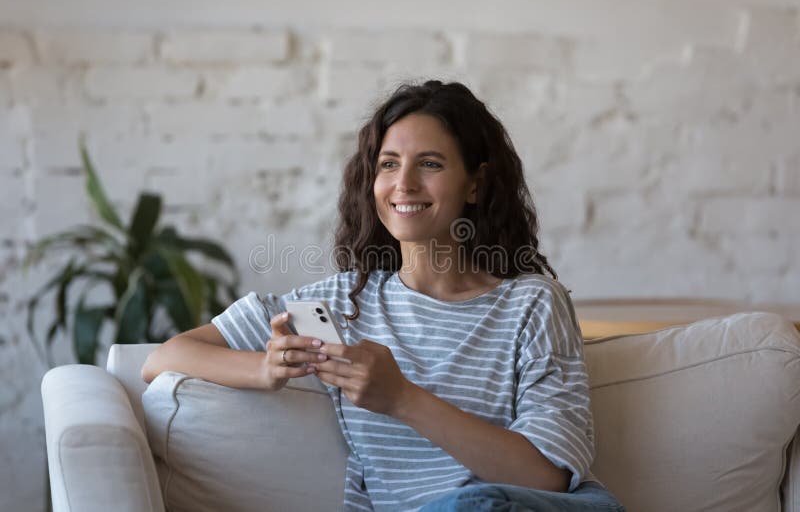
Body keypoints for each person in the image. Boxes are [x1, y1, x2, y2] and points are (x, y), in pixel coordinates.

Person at [141, 80, 625, 511]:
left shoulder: (533, 304)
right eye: (388, 164)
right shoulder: (341, 304)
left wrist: (401, 399)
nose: (404, 184)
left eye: (430, 164)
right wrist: (265, 369)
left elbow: (548, 476)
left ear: (475, 185)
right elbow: (163, 358)